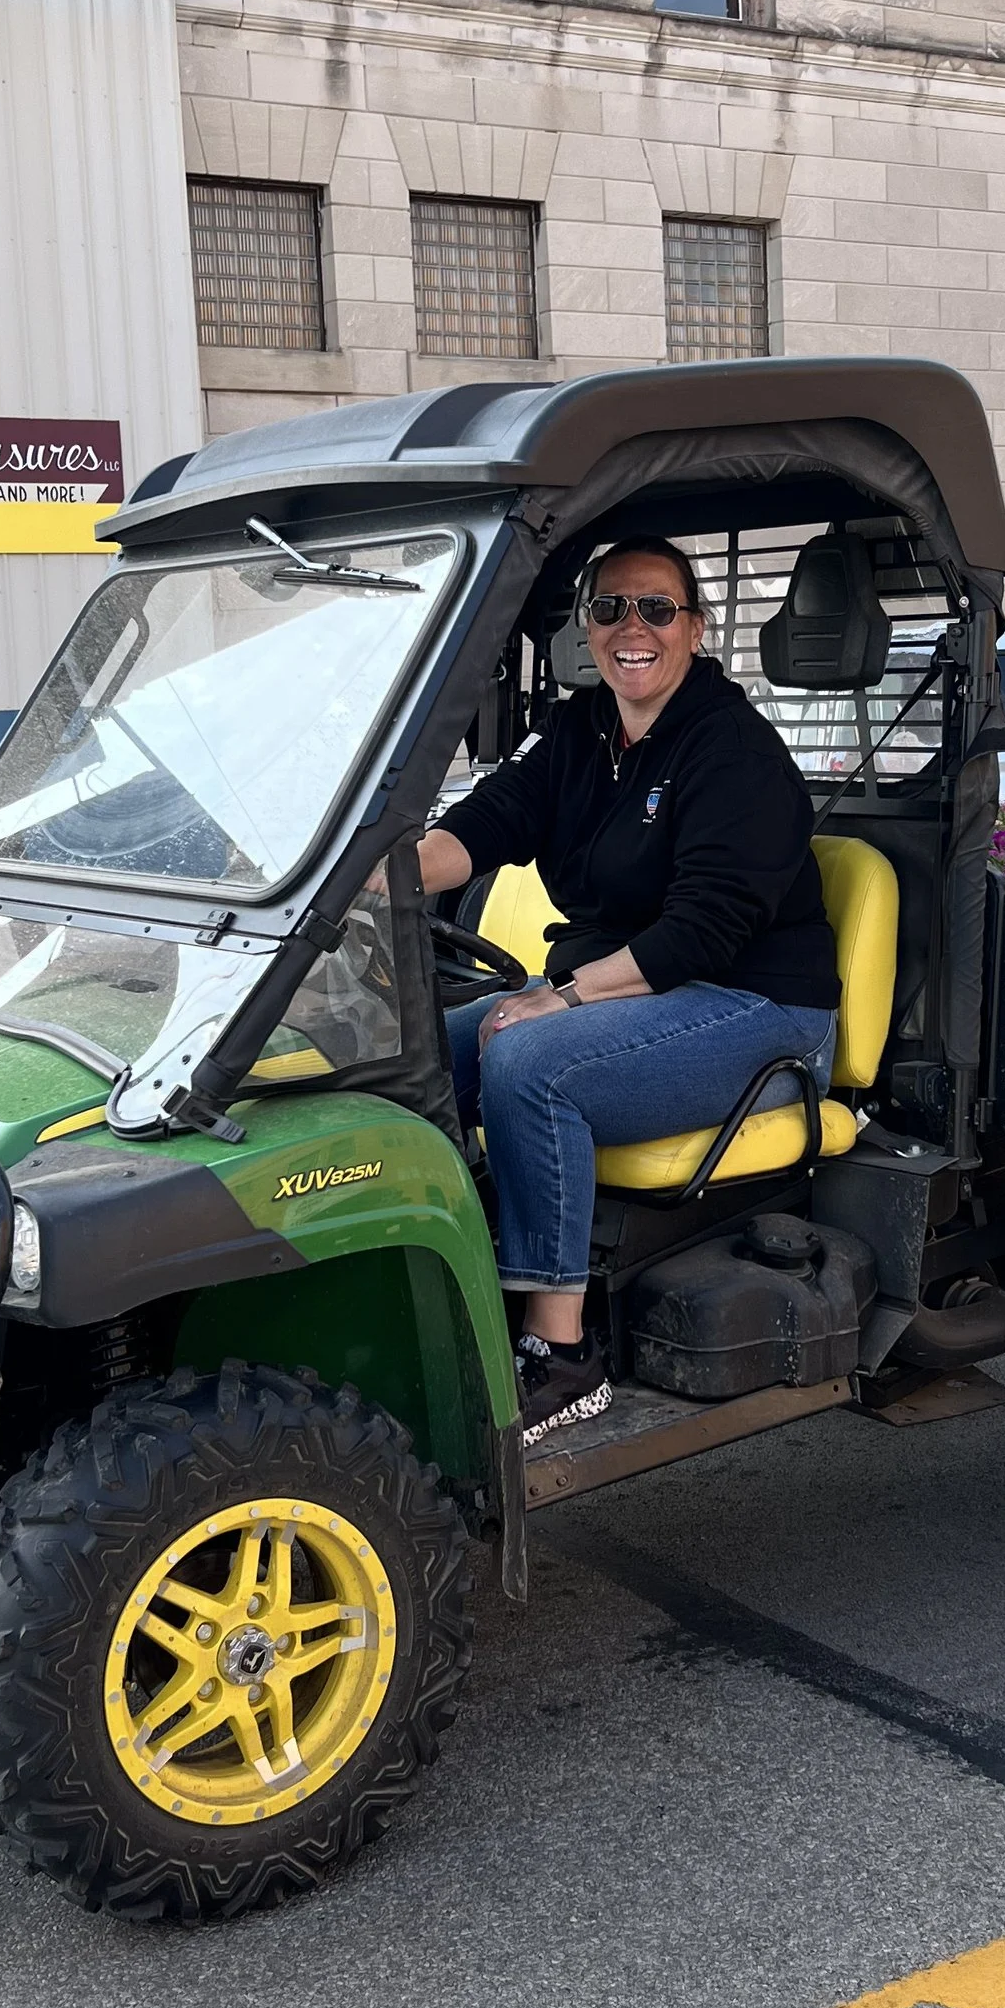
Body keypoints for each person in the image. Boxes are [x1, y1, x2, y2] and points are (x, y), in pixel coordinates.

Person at [403, 540, 842, 1441]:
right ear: (586, 626)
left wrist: (561, 1000)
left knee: (531, 1063)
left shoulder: (735, 750)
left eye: (655, 609)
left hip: (754, 1003)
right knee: (416, 1056)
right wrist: (375, 875)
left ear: (695, 626)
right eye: (609, 609)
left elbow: (703, 931)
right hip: (635, 990)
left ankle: (564, 1355)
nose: (629, 629)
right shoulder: (580, 731)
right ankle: (449, 1287)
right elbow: (487, 823)